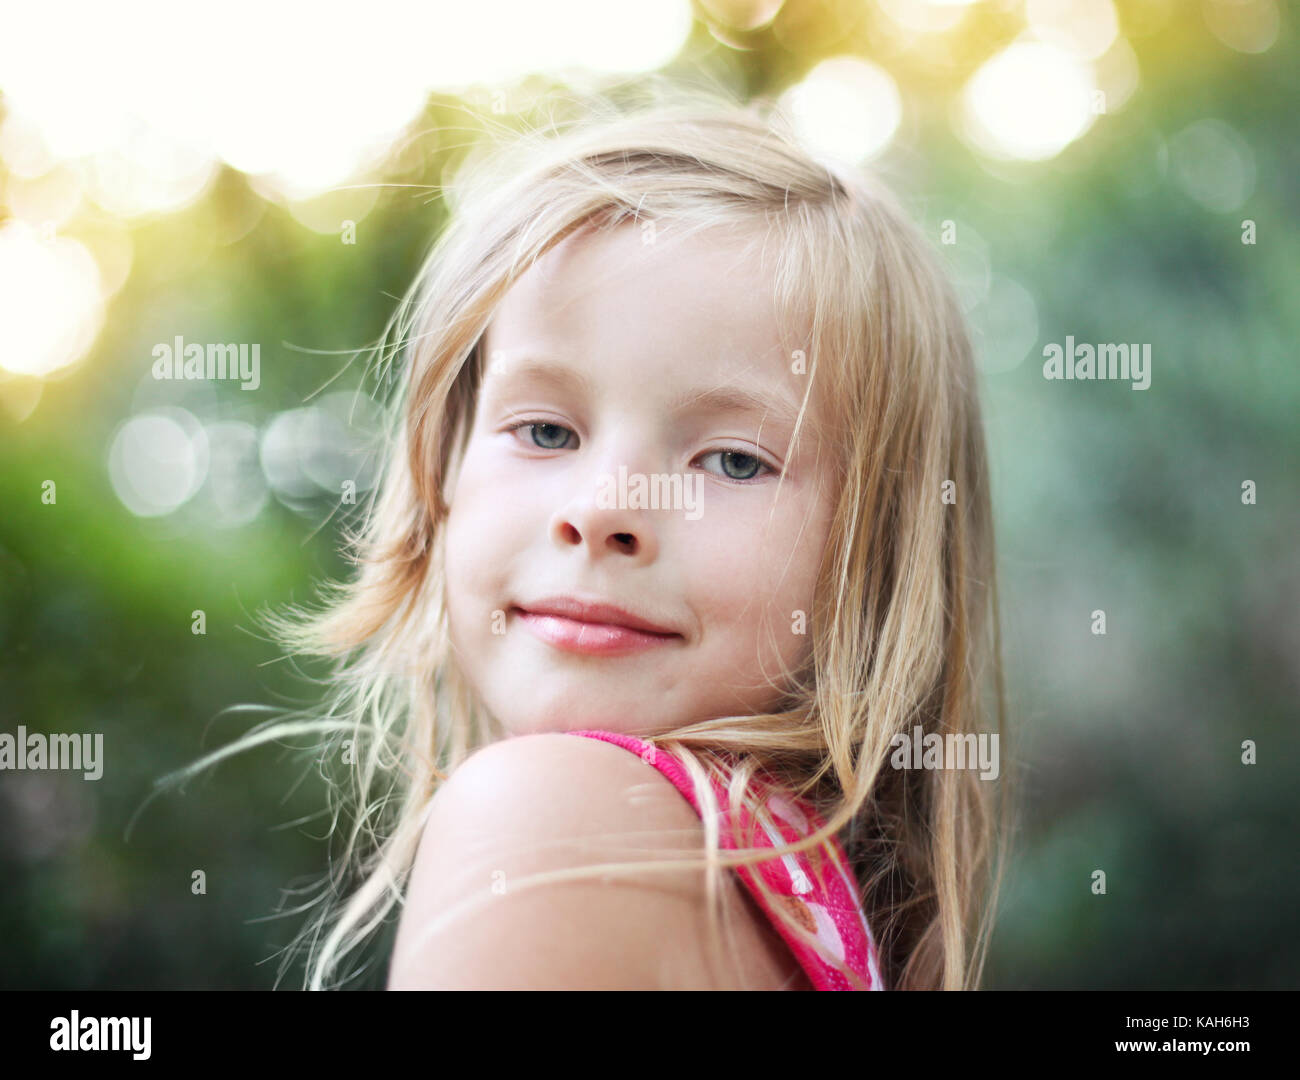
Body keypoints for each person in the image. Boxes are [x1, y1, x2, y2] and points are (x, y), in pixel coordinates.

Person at [183, 83, 1010, 991]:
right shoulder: (805, 915)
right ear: (441, 474)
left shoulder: (546, 823)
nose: (603, 508)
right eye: (546, 432)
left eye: (732, 461)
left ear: (880, 552)